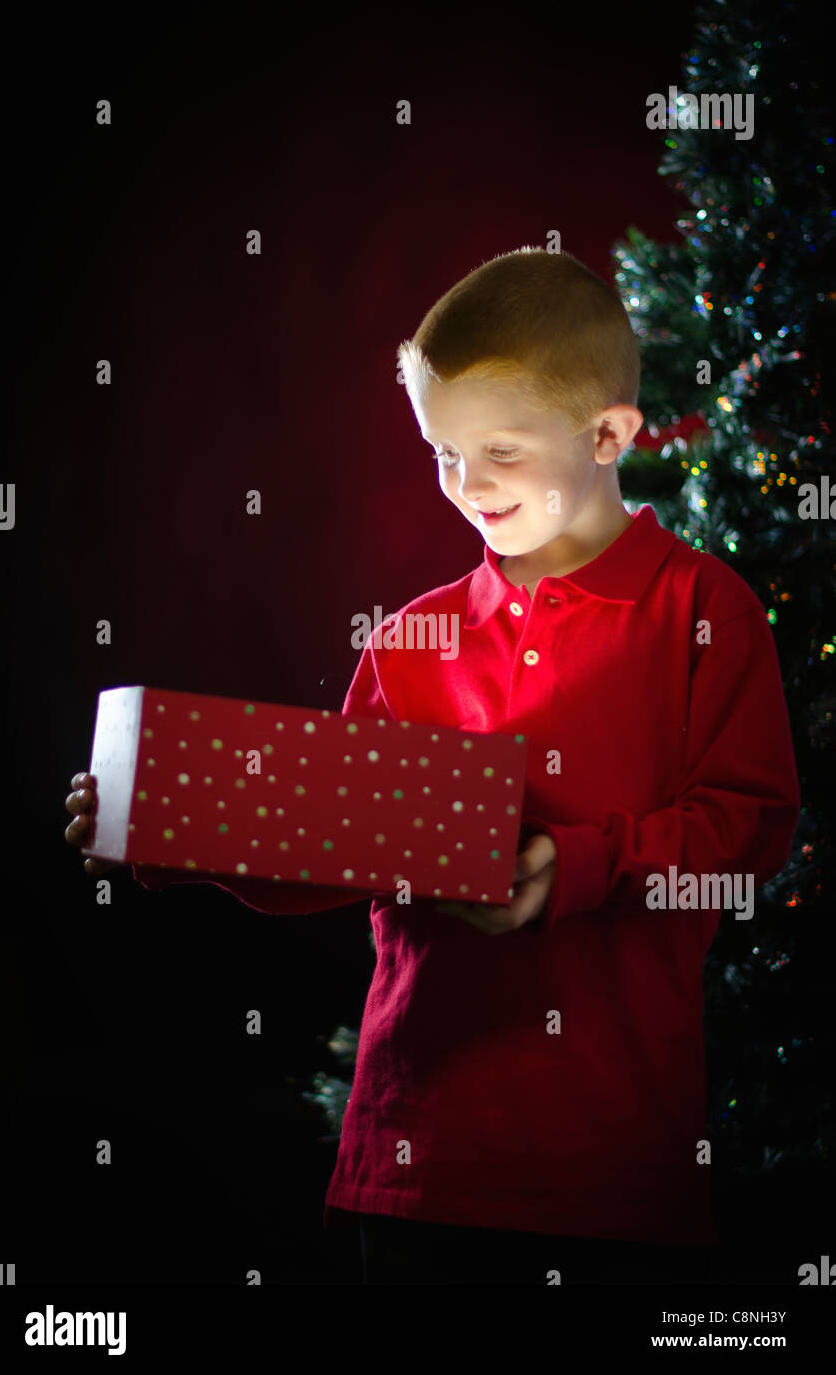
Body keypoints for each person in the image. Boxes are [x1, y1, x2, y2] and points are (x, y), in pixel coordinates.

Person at [65, 247, 800, 1286]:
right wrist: (169, 825)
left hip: (616, 1172)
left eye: (498, 448)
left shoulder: (703, 612)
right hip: (416, 1160)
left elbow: (751, 829)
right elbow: (332, 840)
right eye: (443, 450)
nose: (466, 483)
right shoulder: (413, 637)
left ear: (608, 434)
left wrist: (579, 864)